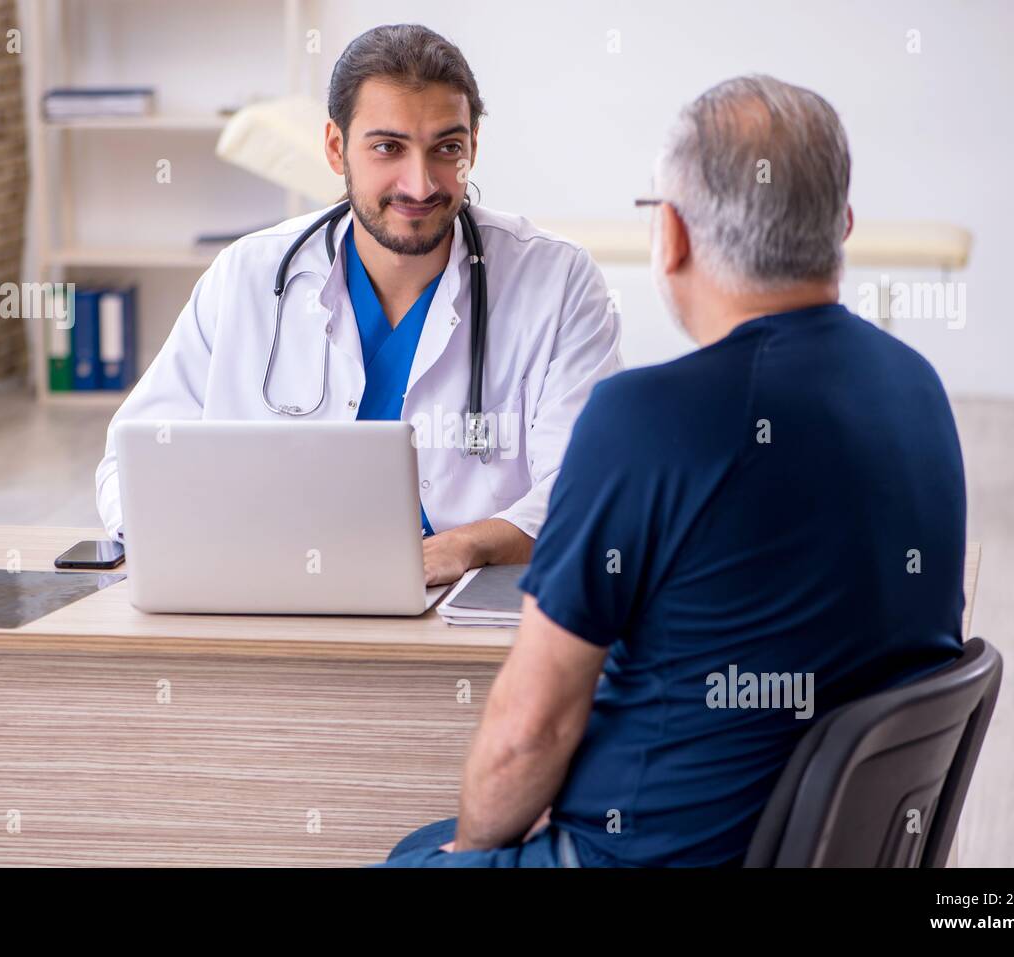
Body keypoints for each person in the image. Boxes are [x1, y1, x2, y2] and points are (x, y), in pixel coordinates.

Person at [379, 74, 966, 867]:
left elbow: (529, 732)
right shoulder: (917, 387)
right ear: (844, 227)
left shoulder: (643, 418)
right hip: (835, 844)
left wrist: (468, 854)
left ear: (675, 237)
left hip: (643, 856)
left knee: (415, 850)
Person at [94, 24, 622, 585]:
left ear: (473, 147)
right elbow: (133, 465)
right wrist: (207, 551)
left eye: (447, 148)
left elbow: (588, 488)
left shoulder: (558, 281)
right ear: (335, 147)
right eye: (388, 148)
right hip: (270, 595)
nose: (419, 186)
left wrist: (468, 545)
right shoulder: (247, 276)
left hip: (468, 599)